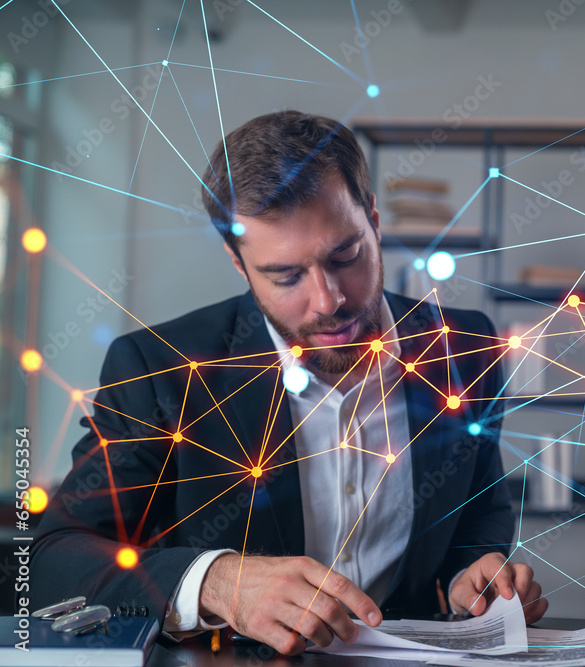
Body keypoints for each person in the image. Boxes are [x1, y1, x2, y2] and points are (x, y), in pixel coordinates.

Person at [34, 111, 547, 655]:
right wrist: (215, 583)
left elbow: (476, 513)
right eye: (286, 276)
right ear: (238, 263)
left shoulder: (465, 348)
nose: (329, 301)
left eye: (345, 256)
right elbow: (53, 559)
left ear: (373, 219)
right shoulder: (157, 369)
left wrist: (475, 574)